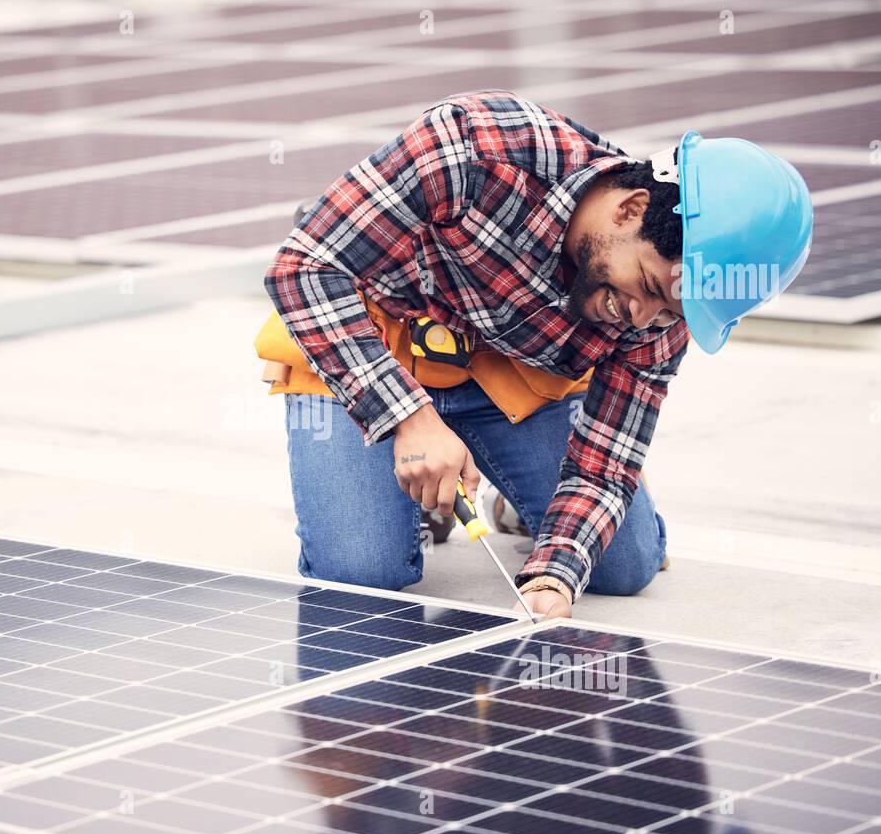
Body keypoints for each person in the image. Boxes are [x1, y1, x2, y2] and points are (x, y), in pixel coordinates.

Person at [258, 90, 812, 620]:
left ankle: (508, 501)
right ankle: (425, 492)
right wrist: (408, 416)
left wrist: (553, 577)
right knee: (363, 570)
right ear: (631, 209)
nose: (643, 318)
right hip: (375, 348)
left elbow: (605, 460)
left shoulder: (664, 308)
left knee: (622, 567)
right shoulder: (474, 146)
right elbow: (303, 267)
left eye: (670, 312)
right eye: (646, 286)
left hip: (509, 376)